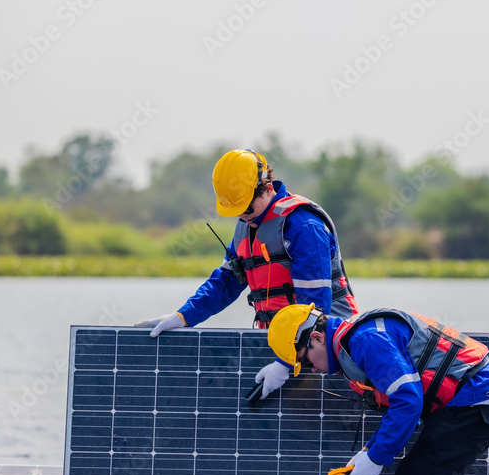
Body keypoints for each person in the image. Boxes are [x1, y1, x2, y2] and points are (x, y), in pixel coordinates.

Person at [136, 148, 359, 399]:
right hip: (284, 345)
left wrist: (286, 363)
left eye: (246, 208)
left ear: (265, 188)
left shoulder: (304, 226)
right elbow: (225, 282)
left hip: (327, 349)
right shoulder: (246, 227)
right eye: (237, 211)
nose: (243, 216)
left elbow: (315, 308)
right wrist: (182, 316)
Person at [267, 303, 489, 475]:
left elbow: (408, 401)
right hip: (469, 401)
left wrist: (376, 458)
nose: (310, 369)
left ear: (317, 338)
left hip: (476, 398)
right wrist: (369, 451)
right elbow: (401, 406)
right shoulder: (354, 341)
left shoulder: (366, 341)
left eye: (305, 360)